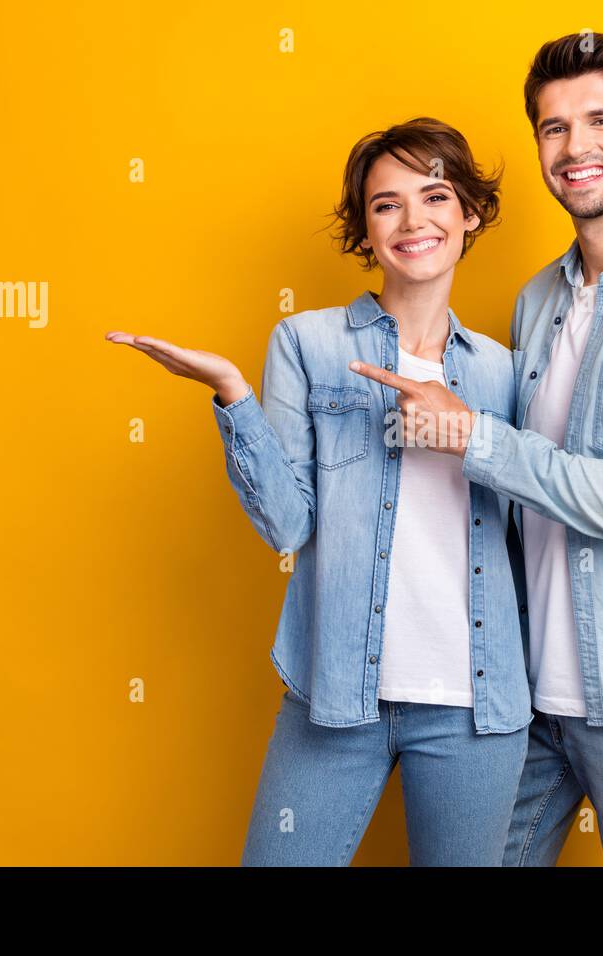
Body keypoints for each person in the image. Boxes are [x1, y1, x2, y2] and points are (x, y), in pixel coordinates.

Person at [349, 33, 603, 866]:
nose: (577, 148)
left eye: (600, 121)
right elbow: (509, 508)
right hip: (526, 695)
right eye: (553, 128)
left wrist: (473, 437)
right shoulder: (538, 297)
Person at [106, 117, 532, 866]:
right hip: (335, 696)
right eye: (386, 204)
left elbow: (539, 531)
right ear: (365, 231)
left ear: (469, 213)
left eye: (435, 196)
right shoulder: (307, 344)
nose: (413, 220)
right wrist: (232, 395)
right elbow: (286, 524)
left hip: (478, 709)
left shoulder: (505, 372)